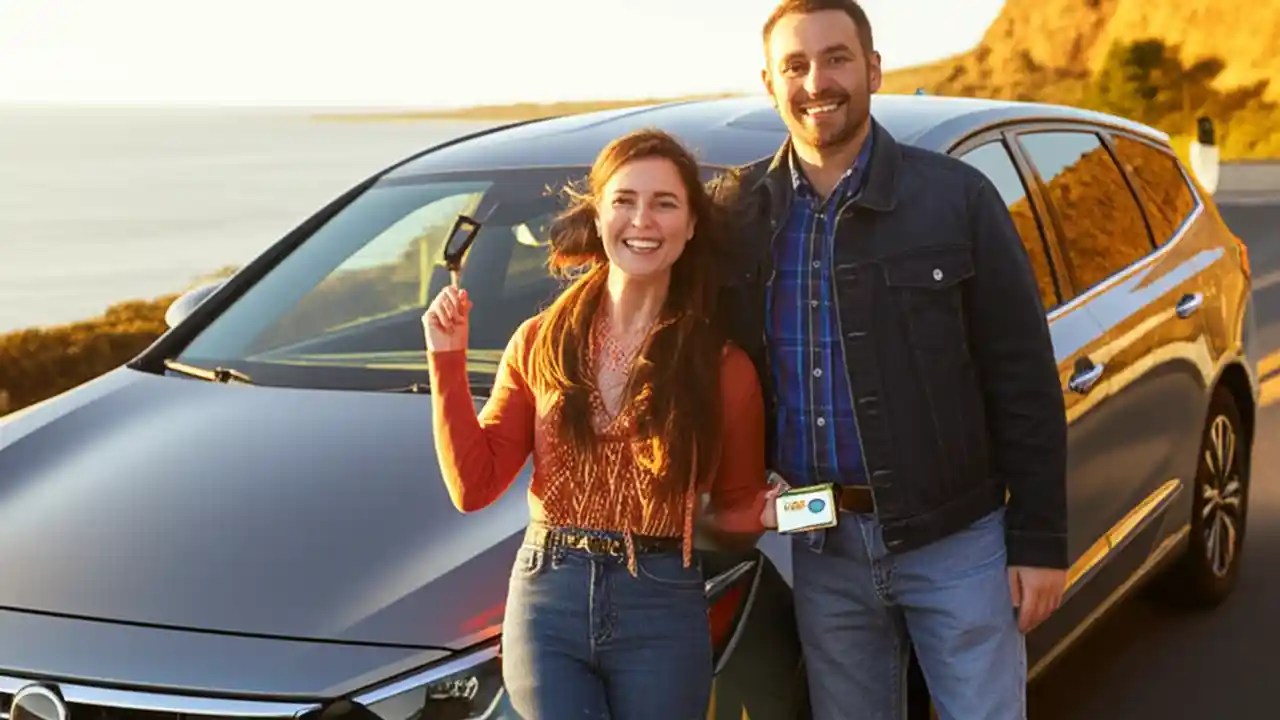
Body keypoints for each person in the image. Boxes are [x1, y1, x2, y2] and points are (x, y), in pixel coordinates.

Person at [715, 1, 1070, 718]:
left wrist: (1040, 540)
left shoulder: (957, 199)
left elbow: (1023, 378)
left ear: (873, 68)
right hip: (819, 546)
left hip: (957, 542)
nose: (818, 81)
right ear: (769, 81)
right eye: (796, 65)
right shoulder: (738, 210)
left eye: (837, 58)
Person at [422, 128, 769, 720]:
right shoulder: (538, 343)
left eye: (665, 203)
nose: (643, 220)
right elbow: (473, 486)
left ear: (690, 227)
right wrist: (447, 359)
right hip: (546, 596)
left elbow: (734, 513)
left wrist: (768, 512)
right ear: (599, 214)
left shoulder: (724, 368)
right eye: (625, 201)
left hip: (660, 600)